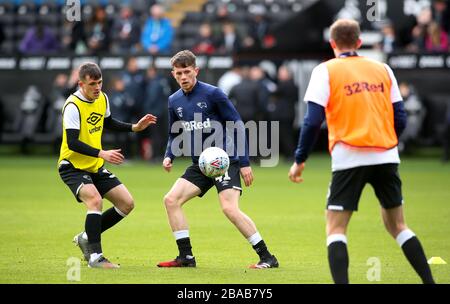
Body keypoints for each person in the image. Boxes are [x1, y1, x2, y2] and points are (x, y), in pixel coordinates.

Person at [288, 19, 435, 284]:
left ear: (332, 43)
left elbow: (311, 122)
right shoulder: (383, 69)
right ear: (358, 42)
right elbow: (399, 117)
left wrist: (299, 159)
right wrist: (387, 140)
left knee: (335, 229)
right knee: (398, 227)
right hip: (387, 155)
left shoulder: (325, 70)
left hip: (349, 157)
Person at [158, 50, 278, 269]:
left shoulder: (214, 94)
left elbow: (237, 124)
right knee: (171, 200)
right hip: (200, 164)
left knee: (229, 208)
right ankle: (186, 257)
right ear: (173, 74)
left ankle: (267, 257)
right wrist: (169, 155)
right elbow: (174, 132)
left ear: (196, 70)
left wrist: (244, 162)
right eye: (178, 73)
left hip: (225, 160)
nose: (183, 77)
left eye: (187, 72)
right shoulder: (174, 100)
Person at [58, 63, 157, 269]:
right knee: (94, 200)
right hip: (73, 166)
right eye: (92, 84)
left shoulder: (102, 98)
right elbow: (73, 142)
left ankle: (87, 236)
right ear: (81, 84)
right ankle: (96, 257)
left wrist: (134, 127)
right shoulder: (72, 105)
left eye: (100, 82)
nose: (97, 88)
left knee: (126, 204)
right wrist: (102, 153)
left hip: (94, 165)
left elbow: (108, 122)